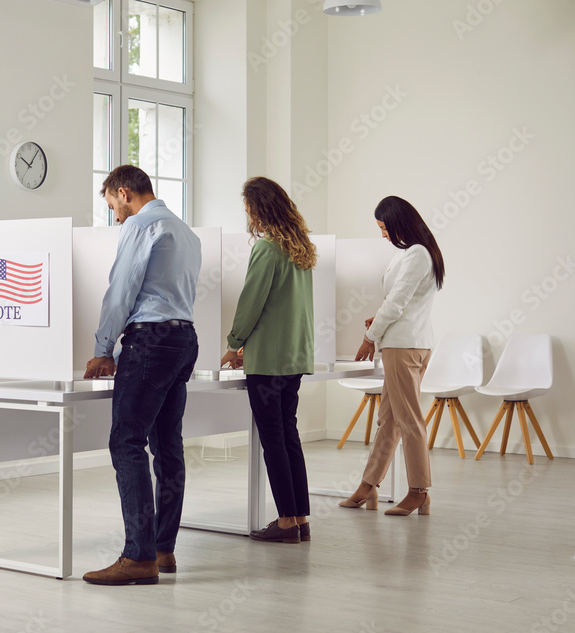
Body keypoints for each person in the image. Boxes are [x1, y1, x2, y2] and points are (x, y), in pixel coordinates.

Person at [82, 165, 201, 586]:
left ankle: (138, 556)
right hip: (184, 338)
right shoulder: (186, 232)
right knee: (168, 445)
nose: (117, 216)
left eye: (115, 206)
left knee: (126, 440)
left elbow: (122, 290)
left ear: (125, 192)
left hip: (149, 342)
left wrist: (102, 349)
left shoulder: (141, 225)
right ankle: (163, 548)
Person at [221, 177, 316, 544]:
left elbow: (251, 302)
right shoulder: (300, 248)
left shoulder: (267, 248)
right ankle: (300, 518)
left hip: (267, 363)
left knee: (272, 439)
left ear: (260, 208)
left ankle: (286, 522)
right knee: (288, 435)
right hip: (294, 356)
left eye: (249, 210)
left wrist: (235, 343)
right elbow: (287, 309)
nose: (249, 218)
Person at [339, 195, 445, 516]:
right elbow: (402, 304)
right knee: (389, 419)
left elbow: (397, 302)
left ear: (398, 223)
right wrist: (379, 319)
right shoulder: (414, 254)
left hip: (404, 347)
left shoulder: (416, 255)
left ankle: (419, 491)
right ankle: (368, 485)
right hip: (405, 342)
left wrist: (370, 337)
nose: (383, 235)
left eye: (384, 227)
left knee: (408, 419)